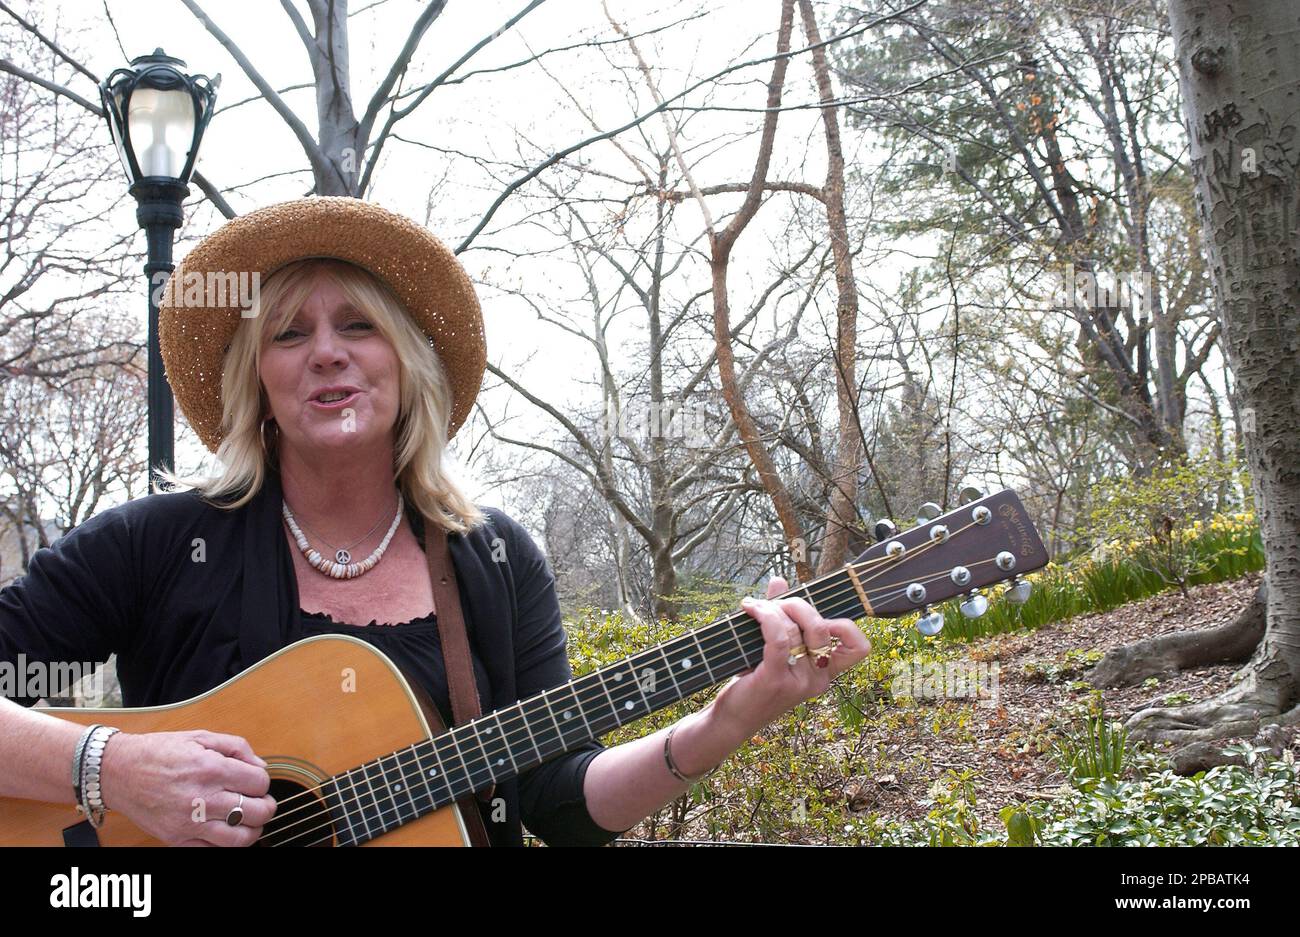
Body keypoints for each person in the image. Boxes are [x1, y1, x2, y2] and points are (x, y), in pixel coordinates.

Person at [0, 197, 870, 846]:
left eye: (359, 324)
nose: (328, 351)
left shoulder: (493, 559)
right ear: (254, 379)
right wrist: (109, 768)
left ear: (408, 363)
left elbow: (560, 800)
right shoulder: (154, 545)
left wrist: (725, 720)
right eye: (289, 333)